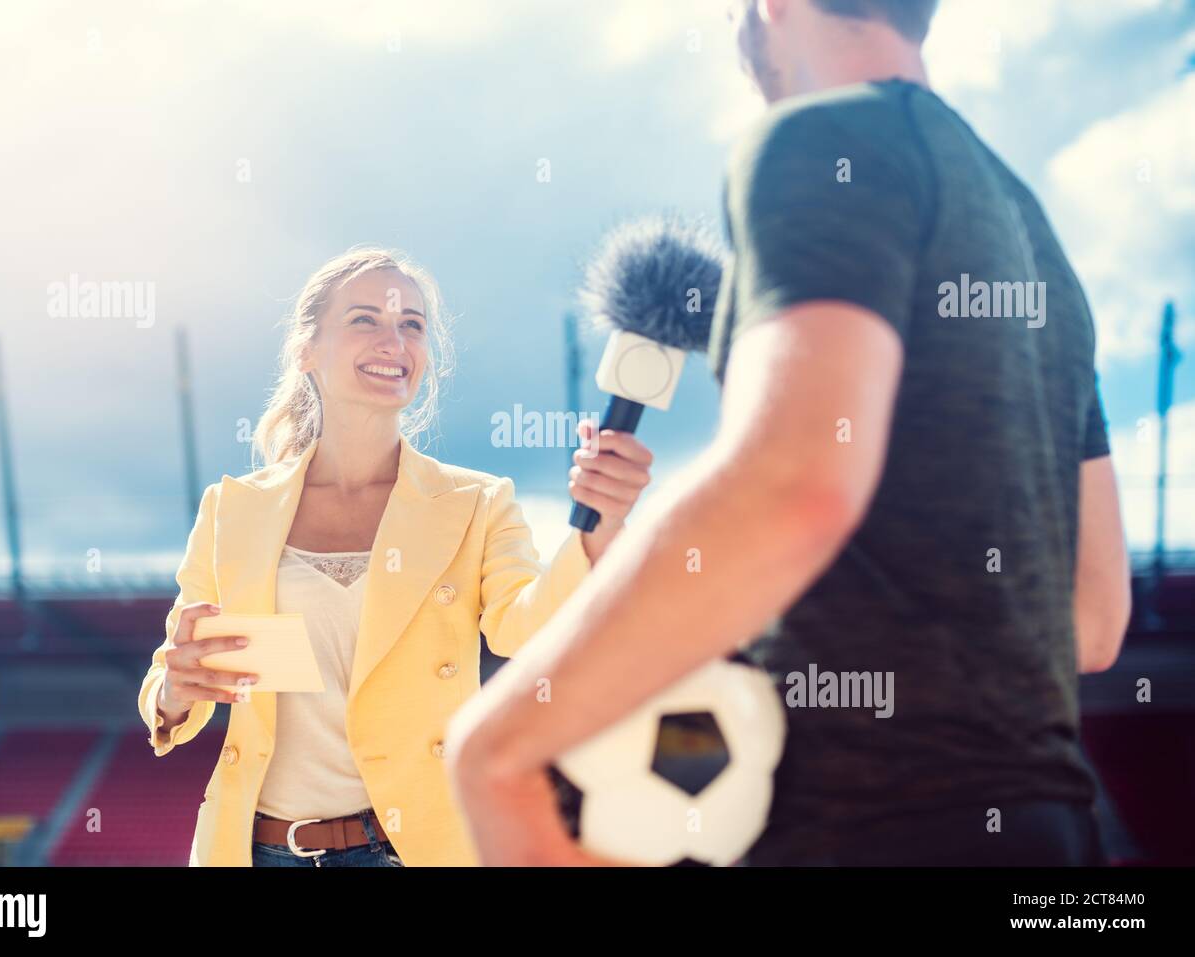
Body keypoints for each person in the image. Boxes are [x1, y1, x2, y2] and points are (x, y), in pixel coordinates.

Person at [444, 0, 1130, 866]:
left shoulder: (817, 142)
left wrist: (494, 747)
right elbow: (1096, 618)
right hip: (1051, 837)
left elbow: (797, 483)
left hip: (858, 827)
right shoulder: (1036, 240)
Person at [137, 247, 653, 866]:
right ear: (306, 349)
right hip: (255, 849)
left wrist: (601, 525)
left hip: (412, 851)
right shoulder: (233, 509)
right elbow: (170, 684)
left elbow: (527, 628)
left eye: (411, 324)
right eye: (365, 320)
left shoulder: (476, 503)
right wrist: (176, 690)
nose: (394, 341)